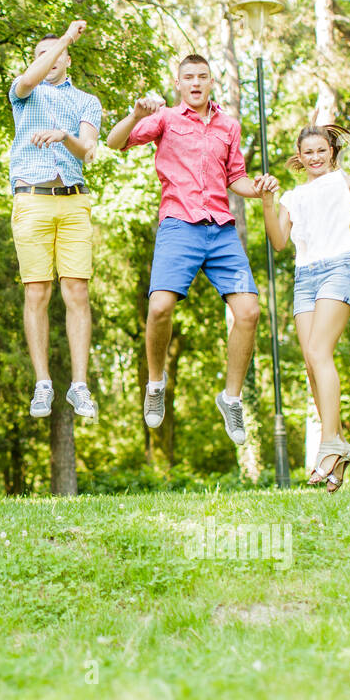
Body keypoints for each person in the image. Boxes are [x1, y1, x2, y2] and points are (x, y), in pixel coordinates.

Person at [104, 54, 275, 444]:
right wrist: (133, 115)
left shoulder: (229, 126)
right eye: (188, 77)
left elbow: (238, 179)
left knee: (249, 311)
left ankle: (231, 398)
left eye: (202, 77)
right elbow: (115, 143)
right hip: (179, 225)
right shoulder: (164, 118)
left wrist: (259, 186)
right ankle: (155, 383)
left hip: (220, 229)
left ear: (211, 82)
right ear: (178, 83)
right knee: (160, 306)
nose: (195, 83)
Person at [262, 126, 350, 489]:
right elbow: (279, 242)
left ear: (331, 152)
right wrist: (268, 204)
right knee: (310, 362)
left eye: (321, 150)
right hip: (305, 278)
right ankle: (338, 448)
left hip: (339, 269)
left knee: (320, 352)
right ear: (299, 157)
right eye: (308, 152)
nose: (315, 157)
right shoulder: (293, 196)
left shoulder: (343, 181)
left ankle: (329, 443)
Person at [8, 21, 103, 421]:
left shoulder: (86, 101)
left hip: (73, 201)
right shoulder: (24, 94)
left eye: (56, 56)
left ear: (68, 60)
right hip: (32, 201)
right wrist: (63, 37)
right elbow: (30, 78)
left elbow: (87, 151)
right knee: (37, 293)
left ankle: (79, 386)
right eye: (41, 56)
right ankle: (43, 383)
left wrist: (64, 135)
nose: (47, 62)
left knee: (77, 292)